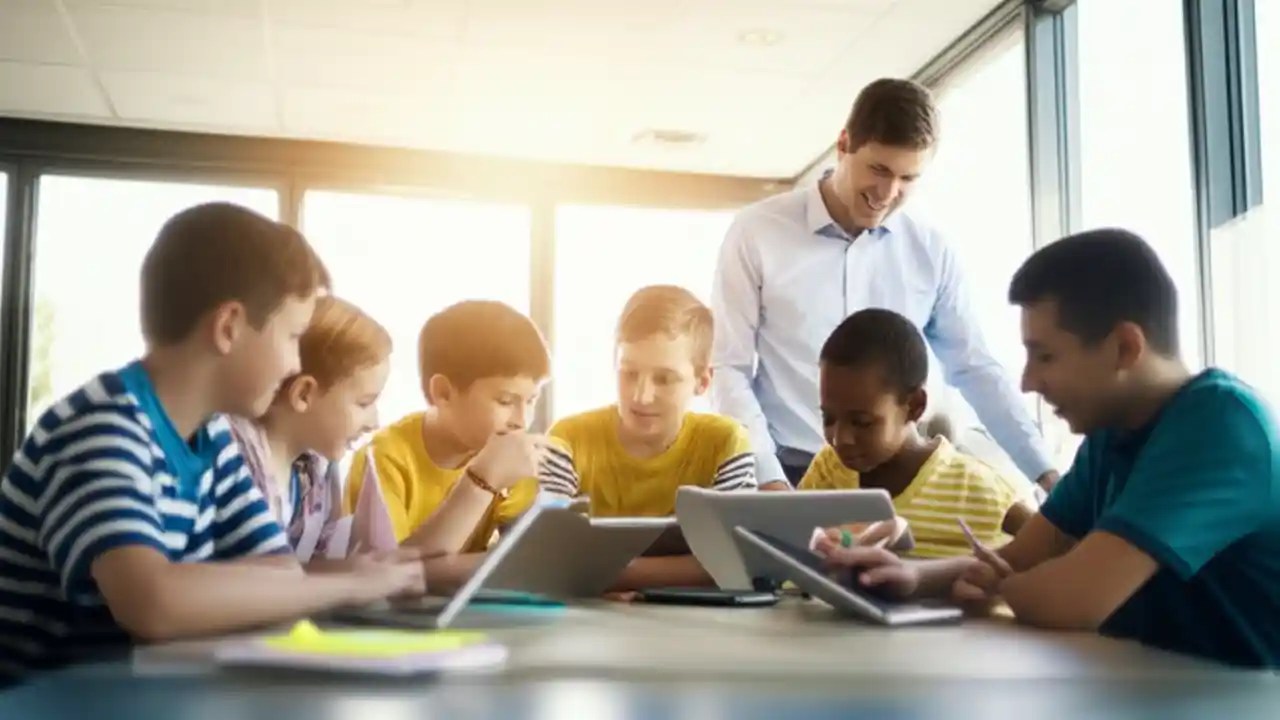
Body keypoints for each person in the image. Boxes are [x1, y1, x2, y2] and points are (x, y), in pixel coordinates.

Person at [817, 229, 1280, 668]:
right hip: (1145, 686)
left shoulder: (1220, 424)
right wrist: (914, 578)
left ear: (1124, 348)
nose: (1027, 381)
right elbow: (1018, 559)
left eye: (1045, 356)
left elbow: (1074, 600)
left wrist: (1008, 585)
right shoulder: (1110, 436)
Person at [0, 203, 423, 679]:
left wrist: (221, 588)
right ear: (228, 329)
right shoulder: (101, 428)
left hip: (143, 696)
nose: (294, 365)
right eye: (292, 337)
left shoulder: (212, 436)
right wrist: (349, 586)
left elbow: (280, 575)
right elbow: (155, 604)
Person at [710, 77, 1056, 492]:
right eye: (878, 169)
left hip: (902, 478)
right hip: (792, 473)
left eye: (907, 178)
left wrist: (1047, 474)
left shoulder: (931, 249)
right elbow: (728, 368)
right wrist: (768, 479)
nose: (887, 193)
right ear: (843, 145)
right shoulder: (757, 231)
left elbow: (974, 368)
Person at [539, 285, 761, 589]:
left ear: (702, 382)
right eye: (629, 374)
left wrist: (606, 575)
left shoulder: (725, 442)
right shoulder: (568, 439)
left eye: (664, 379)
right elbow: (545, 555)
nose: (641, 397)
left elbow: (739, 561)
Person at [799, 308, 1035, 557]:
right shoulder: (829, 469)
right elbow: (794, 541)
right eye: (829, 418)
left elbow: (1056, 547)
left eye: (861, 422)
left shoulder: (975, 488)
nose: (839, 439)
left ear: (913, 406)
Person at [344, 300, 549, 557]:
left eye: (531, 401)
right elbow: (388, 574)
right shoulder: (384, 459)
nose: (521, 420)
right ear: (443, 392)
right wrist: (483, 480)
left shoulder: (513, 457)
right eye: (505, 401)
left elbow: (526, 558)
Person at [228, 294, 407, 565]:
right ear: (303, 394)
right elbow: (254, 579)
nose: (375, 422)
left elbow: (307, 567)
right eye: (364, 403)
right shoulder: (234, 456)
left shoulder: (315, 468)